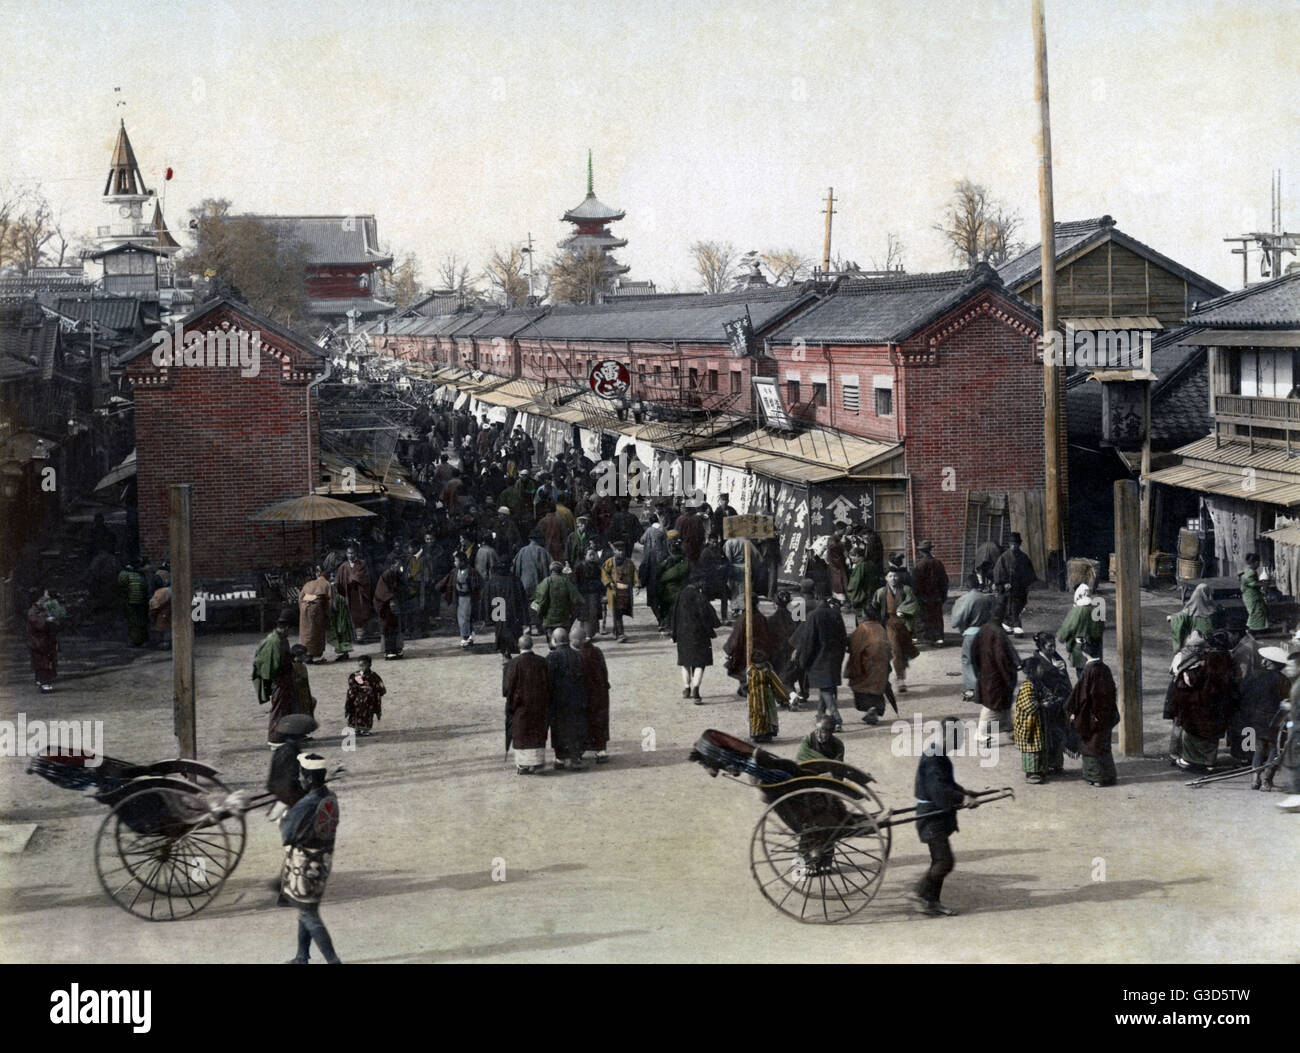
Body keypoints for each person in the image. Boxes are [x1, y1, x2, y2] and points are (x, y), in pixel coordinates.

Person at [911, 717, 981, 917]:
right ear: (949, 735)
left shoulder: (938, 753)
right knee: (944, 861)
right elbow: (939, 790)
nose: (962, 742)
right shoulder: (934, 756)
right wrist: (962, 798)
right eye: (959, 737)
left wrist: (965, 792)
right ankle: (921, 894)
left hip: (935, 815)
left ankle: (930, 901)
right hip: (930, 818)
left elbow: (947, 784)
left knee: (940, 860)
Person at [281, 753, 341, 965]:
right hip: (323, 860)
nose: (299, 779)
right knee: (306, 908)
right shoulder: (330, 797)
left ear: (307, 778)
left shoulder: (305, 805)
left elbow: (286, 833)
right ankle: (301, 956)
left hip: (304, 865)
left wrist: (286, 816)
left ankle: (333, 961)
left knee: (308, 913)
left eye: (301, 776)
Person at [1165, 631, 1237, 772]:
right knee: (1212, 735)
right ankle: (1210, 761)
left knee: (1193, 732)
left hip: (1202, 702)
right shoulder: (1227, 658)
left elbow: (1194, 680)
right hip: (1219, 703)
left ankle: (1191, 760)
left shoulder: (1207, 659)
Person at [1068, 637, 1120, 786]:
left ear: (1084, 653)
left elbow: (1082, 696)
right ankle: (1109, 775)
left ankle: (1096, 777)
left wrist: (1075, 712)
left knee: (1090, 745)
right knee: (1104, 745)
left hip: (1090, 715)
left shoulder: (1088, 671)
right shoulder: (1105, 668)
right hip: (1106, 714)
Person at [1242, 646, 1291, 790]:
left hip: (1256, 716)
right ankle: (1267, 780)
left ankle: (1255, 778)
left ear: (1269, 662)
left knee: (1258, 748)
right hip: (1275, 719)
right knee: (1274, 749)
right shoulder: (1284, 680)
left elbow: (1243, 693)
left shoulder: (1254, 675)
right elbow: (1287, 701)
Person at [799, 593, 849, 731]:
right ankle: (820, 715)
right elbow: (843, 638)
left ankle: (837, 719)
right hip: (835, 657)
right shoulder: (836, 615)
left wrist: (804, 660)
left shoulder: (813, 616)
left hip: (818, 658)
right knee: (827, 687)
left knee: (825, 689)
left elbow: (809, 641)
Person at [505, 634, 551, 774]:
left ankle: (523, 765)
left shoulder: (513, 663)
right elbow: (548, 684)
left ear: (519, 647)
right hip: (539, 705)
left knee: (521, 733)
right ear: (532, 645)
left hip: (521, 706)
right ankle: (537, 763)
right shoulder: (542, 662)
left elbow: (508, 688)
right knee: (537, 732)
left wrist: (511, 705)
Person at [972, 617, 1020, 749]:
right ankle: (980, 733)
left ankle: (1009, 728)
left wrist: (978, 670)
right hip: (997, 676)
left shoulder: (985, 629)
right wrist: (1010, 672)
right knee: (993, 705)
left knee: (1003, 703)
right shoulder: (998, 633)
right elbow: (1003, 657)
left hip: (987, 672)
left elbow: (974, 653)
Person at [546, 627, 589, 770]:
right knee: (575, 728)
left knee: (558, 729)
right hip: (575, 699)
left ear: (554, 640)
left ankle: (560, 758)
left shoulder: (551, 657)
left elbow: (548, 681)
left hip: (557, 701)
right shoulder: (577, 655)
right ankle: (574, 758)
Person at [671, 581, 720, 703]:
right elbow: (709, 616)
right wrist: (712, 628)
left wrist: (674, 633)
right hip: (700, 635)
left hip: (683, 634)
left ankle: (687, 688)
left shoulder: (680, 596)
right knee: (699, 663)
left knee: (685, 662)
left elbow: (673, 616)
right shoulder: (700, 597)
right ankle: (696, 690)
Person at [844, 603, 893, 725]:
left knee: (862, 687)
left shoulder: (863, 628)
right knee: (877, 688)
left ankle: (870, 709)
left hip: (866, 665)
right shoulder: (880, 628)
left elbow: (854, 645)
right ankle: (874, 710)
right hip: (881, 665)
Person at [254, 611, 296, 746]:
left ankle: (285, 734)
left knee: (286, 708)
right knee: (278, 709)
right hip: (278, 680)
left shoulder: (282, 639)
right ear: (286, 627)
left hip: (285, 679)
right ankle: (275, 738)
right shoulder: (273, 642)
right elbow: (269, 668)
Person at [874, 569, 920, 693]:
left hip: (904, 623)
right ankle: (900, 679)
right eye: (890, 576)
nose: (893, 578)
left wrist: (903, 610)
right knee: (895, 650)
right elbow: (874, 608)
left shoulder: (906, 590)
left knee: (906, 650)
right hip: (889, 623)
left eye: (895, 575)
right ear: (886, 578)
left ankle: (901, 668)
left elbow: (913, 603)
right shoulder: (880, 592)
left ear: (898, 577)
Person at [573, 625, 611, 764]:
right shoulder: (597, 651)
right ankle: (601, 750)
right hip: (600, 693)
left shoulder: (577, 655)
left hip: (585, 695)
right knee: (599, 722)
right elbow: (604, 671)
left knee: (583, 722)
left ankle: (581, 749)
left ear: (577, 641)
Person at [483, 560, 529, 663]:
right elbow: (522, 600)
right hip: (512, 612)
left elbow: (486, 599)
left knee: (501, 631)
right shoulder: (515, 580)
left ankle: (504, 652)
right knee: (513, 632)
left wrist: (487, 617)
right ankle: (511, 651)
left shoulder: (492, 581)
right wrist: (525, 618)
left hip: (498, 611)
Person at [1057, 582, 1104, 681]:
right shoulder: (1097, 609)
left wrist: (1061, 637)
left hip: (1081, 650)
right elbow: (1101, 628)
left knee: (1083, 677)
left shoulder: (1078, 610)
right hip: (1096, 649)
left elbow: (1067, 628)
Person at [992, 532, 1036, 636]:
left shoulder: (1024, 557)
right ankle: (1016, 625)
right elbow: (998, 572)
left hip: (1020, 587)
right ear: (1009, 544)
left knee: (1019, 605)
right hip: (1008, 588)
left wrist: (1026, 584)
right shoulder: (1004, 557)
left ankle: (1007, 624)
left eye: (1015, 544)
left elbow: (1029, 573)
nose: (1013, 546)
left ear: (1019, 544)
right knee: (1010, 606)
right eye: (1011, 543)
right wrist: (1003, 583)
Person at [439, 551, 482, 649]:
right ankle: (470, 635)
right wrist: (438, 587)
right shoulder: (454, 571)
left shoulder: (472, 571)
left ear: (462, 562)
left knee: (465, 618)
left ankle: (465, 637)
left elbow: (477, 585)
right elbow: (445, 581)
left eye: (456, 561)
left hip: (468, 598)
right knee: (462, 618)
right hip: (458, 597)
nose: (455, 562)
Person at [26, 589, 66, 694]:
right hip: (38, 641)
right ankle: (43, 682)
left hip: (45, 640)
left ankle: (43, 681)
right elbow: (35, 621)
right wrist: (46, 620)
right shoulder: (33, 610)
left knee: (47, 661)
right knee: (42, 662)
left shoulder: (42, 608)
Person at [911, 541, 949, 645]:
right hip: (936, 596)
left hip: (924, 597)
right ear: (930, 550)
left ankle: (924, 637)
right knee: (936, 617)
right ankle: (939, 637)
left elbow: (915, 583)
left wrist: (917, 596)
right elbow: (944, 581)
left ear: (920, 552)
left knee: (923, 617)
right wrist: (943, 595)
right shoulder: (938, 563)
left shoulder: (919, 565)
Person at [514, 531, 552, 633]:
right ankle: (538, 626)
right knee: (537, 604)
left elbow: (516, 568)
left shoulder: (522, 551)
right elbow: (549, 569)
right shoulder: (543, 552)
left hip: (524, 583)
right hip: (539, 583)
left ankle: (528, 626)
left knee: (526, 604)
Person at [532, 560, 582, 638]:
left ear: (551, 570)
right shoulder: (567, 581)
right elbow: (577, 599)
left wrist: (540, 614)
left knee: (551, 641)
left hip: (549, 619)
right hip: (564, 619)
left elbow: (539, 600)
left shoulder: (546, 581)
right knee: (563, 638)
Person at [601, 541, 637, 643]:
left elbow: (634, 574)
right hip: (613, 592)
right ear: (614, 551)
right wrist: (609, 583)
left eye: (622, 550)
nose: (620, 553)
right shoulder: (610, 562)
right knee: (617, 613)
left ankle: (615, 631)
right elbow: (604, 573)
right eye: (618, 550)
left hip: (625, 592)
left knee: (620, 613)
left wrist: (637, 584)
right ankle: (620, 634)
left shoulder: (629, 563)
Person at [335, 546, 372, 644]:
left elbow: (364, 577)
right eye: (349, 553)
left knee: (362, 614)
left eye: (352, 553)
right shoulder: (343, 566)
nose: (350, 555)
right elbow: (338, 581)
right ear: (346, 554)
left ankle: (362, 636)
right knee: (350, 614)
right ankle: (353, 636)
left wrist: (352, 578)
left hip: (359, 593)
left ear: (356, 554)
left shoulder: (361, 564)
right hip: (349, 594)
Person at [344, 654, 385, 737]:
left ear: (370, 664)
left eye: (364, 665)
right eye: (360, 665)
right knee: (355, 713)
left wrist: (373, 691)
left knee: (368, 714)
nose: (362, 667)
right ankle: (356, 729)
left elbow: (381, 688)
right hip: (357, 700)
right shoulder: (355, 675)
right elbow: (352, 686)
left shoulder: (374, 676)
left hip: (370, 701)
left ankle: (365, 729)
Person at [298, 566, 333, 663]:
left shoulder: (308, 583)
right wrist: (328, 614)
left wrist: (302, 609)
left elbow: (300, 598)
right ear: (328, 577)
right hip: (316, 608)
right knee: (315, 631)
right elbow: (329, 601)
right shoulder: (327, 584)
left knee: (306, 632)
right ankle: (311, 654)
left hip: (304, 607)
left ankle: (306, 653)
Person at [572, 543, 606, 641]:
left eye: (593, 554)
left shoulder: (596, 566)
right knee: (586, 615)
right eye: (590, 554)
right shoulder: (579, 566)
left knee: (593, 614)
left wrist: (602, 591)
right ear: (584, 555)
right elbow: (575, 580)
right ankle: (586, 635)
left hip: (594, 593)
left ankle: (590, 634)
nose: (592, 556)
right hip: (584, 593)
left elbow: (599, 579)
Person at [373, 560, 406, 659]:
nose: (399, 566)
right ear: (392, 565)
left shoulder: (396, 574)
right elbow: (381, 591)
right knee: (388, 628)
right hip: (385, 604)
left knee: (395, 627)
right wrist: (391, 599)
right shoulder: (386, 574)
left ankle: (396, 649)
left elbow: (401, 587)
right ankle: (389, 651)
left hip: (393, 603)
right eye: (397, 564)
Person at [1169, 582, 1216, 650]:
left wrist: (1173, 618)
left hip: (1199, 644)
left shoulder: (1191, 610)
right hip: (1203, 645)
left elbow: (1180, 617)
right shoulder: (1212, 610)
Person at [846, 546, 882, 624]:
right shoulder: (871, 563)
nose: (852, 560)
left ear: (858, 556)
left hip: (863, 597)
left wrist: (850, 595)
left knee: (863, 620)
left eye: (852, 557)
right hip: (873, 594)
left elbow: (854, 584)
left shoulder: (860, 566)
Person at [118, 558, 149, 647]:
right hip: (141, 600)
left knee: (133, 621)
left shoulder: (124, 574)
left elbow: (122, 587)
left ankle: (135, 640)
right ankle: (141, 639)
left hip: (131, 601)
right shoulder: (140, 575)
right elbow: (144, 587)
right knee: (140, 621)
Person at [326, 568, 354, 662]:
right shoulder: (332, 585)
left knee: (341, 629)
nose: (332, 578)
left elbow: (334, 598)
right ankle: (343, 652)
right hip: (339, 607)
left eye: (333, 576)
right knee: (340, 631)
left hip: (339, 607)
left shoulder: (334, 585)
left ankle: (344, 652)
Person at [1240, 553, 1268, 634]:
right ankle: (1254, 630)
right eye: (1258, 562)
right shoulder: (1251, 572)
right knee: (1256, 613)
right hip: (1252, 596)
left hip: (1249, 596)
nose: (1258, 565)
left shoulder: (1248, 570)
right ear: (1255, 562)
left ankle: (1253, 629)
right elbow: (1253, 583)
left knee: (1255, 613)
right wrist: (1264, 584)